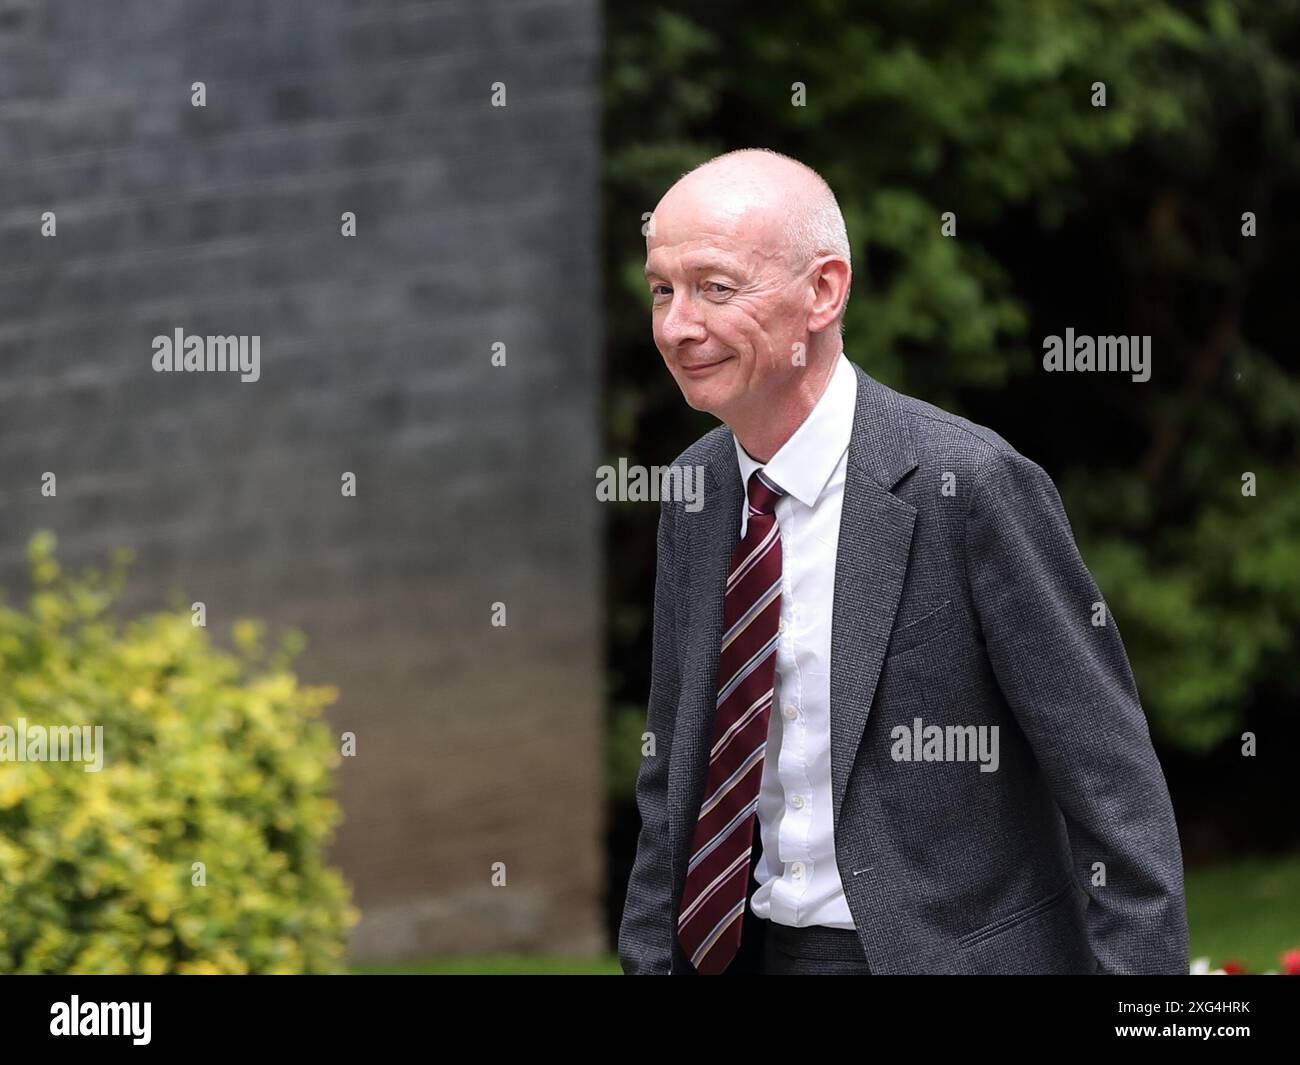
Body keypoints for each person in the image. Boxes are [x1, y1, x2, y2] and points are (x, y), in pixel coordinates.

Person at [617, 148, 1189, 975]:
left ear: (823, 291)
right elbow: (673, 778)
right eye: (662, 290)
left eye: (714, 287)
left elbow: (1115, 788)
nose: (677, 325)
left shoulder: (972, 484)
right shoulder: (695, 492)